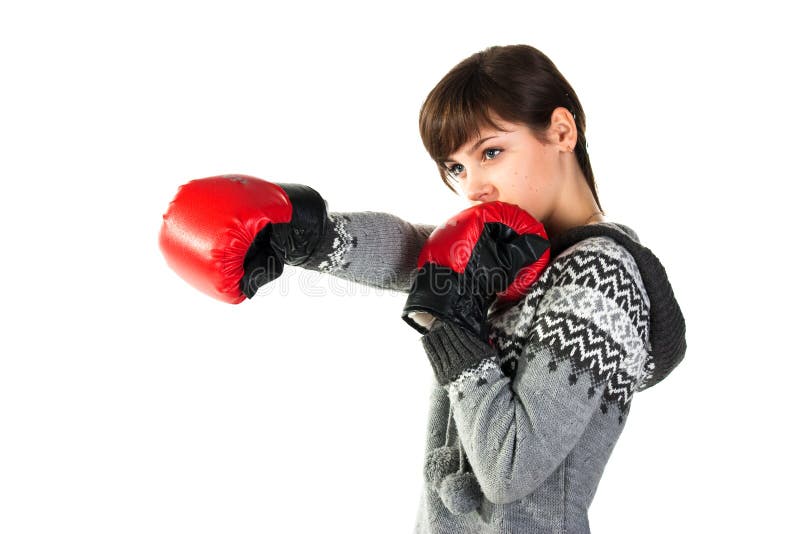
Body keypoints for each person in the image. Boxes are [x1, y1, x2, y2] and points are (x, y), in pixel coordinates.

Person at [160, 43, 687, 534]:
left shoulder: (600, 273)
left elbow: (509, 466)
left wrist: (452, 328)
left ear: (561, 131)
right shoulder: (521, 252)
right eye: (455, 166)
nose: (472, 185)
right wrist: (306, 236)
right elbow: (415, 250)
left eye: (491, 152)